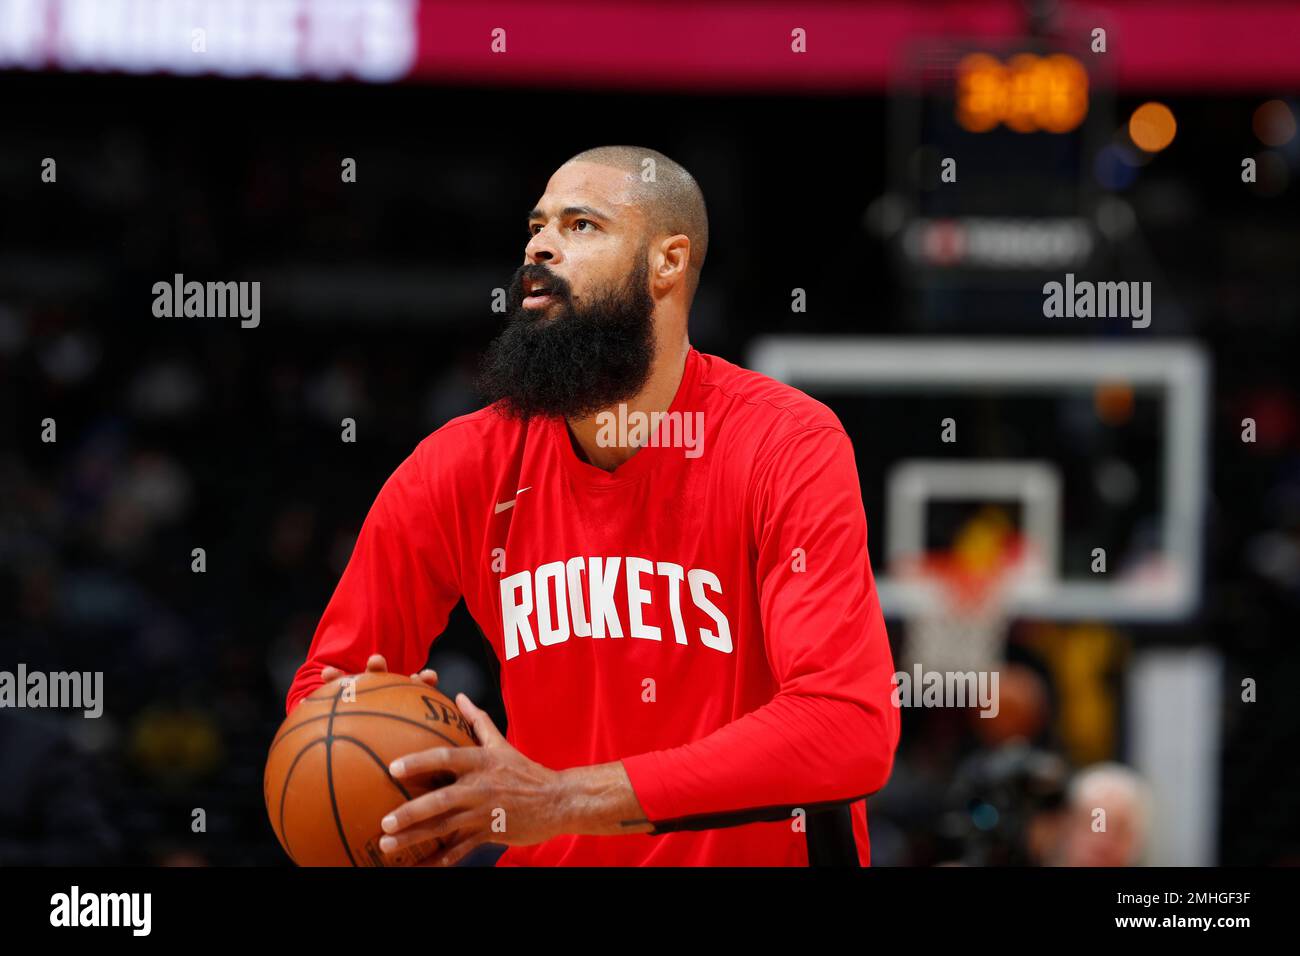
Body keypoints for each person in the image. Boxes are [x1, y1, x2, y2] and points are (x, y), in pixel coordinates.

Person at [286, 146, 899, 866]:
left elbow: (847, 728)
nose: (540, 244)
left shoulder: (784, 443)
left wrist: (564, 799)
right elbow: (323, 694)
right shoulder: (458, 468)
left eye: (582, 225)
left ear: (667, 262)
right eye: (536, 225)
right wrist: (400, 748)